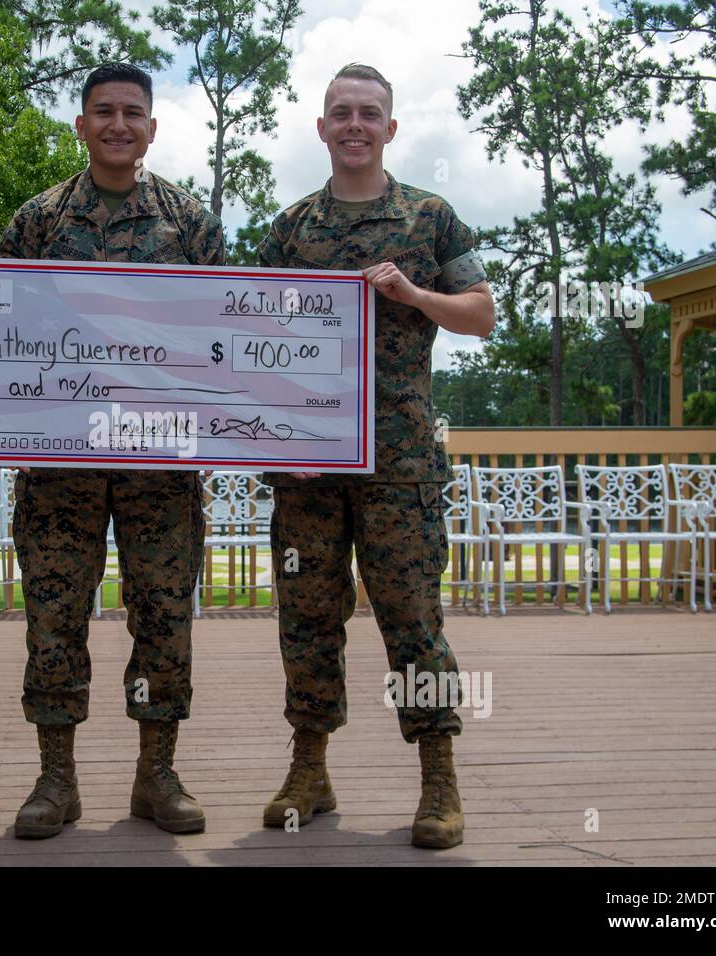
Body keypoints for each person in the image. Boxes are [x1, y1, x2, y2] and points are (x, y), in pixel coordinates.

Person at [257, 64, 495, 848]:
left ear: (390, 128)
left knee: (413, 620)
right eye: (340, 114)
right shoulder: (290, 231)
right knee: (307, 618)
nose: (354, 125)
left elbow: (482, 315)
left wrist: (416, 297)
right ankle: (310, 769)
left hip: (399, 466)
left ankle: (438, 779)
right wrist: (267, 443)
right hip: (307, 467)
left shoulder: (430, 220)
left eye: (369, 114)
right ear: (321, 128)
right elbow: (249, 344)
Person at [0, 63, 226, 839]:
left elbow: (227, 337)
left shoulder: (190, 223)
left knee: (163, 614)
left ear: (152, 128)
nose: (118, 124)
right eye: (104, 112)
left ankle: (155, 774)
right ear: (82, 125)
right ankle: (56, 780)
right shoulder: (37, 222)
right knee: (55, 615)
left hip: (160, 461)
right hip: (61, 461)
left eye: (133, 113)